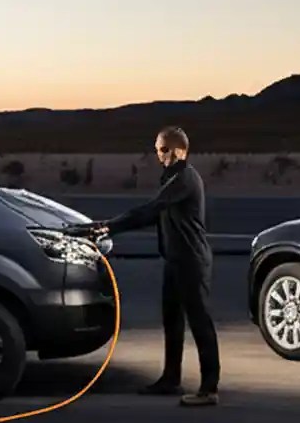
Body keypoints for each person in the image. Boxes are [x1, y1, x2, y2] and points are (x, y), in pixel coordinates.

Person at [81, 126, 220, 406]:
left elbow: (148, 211)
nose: (158, 155)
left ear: (175, 151)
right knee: (172, 320)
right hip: (175, 260)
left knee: (199, 321)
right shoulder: (172, 179)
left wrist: (109, 227)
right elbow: (154, 214)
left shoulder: (185, 178)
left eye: (161, 149)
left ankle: (209, 388)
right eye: (157, 149)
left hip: (191, 261)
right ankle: (171, 379)